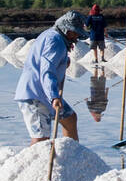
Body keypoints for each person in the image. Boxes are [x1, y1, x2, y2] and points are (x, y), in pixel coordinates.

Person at [14, 11, 88, 144]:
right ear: (67, 30)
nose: (77, 37)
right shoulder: (55, 41)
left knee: (69, 119)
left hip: (44, 93)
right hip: (34, 94)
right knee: (41, 138)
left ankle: (70, 156)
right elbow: (47, 71)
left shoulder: (54, 36)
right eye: (75, 33)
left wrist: (63, 62)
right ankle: (32, 163)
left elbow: (50, 62)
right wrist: (54, 96)